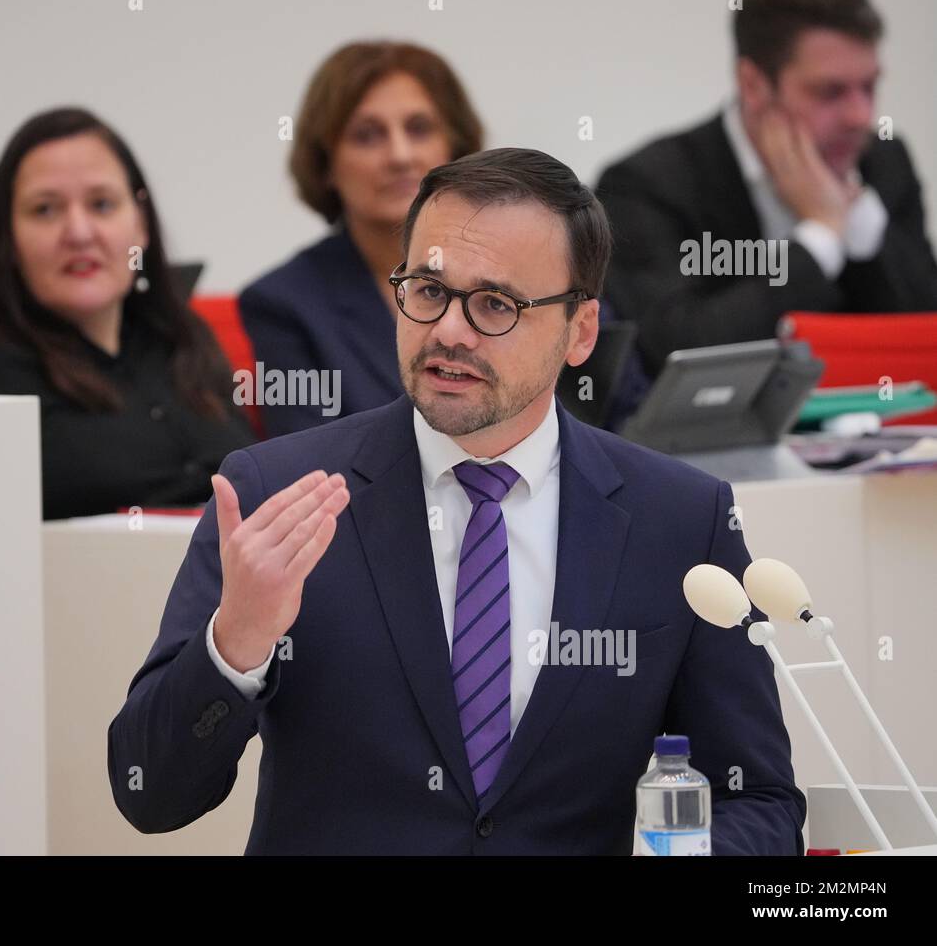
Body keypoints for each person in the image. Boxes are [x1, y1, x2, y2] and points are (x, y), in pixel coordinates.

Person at [108, 147, 805, 854]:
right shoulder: (275, 494)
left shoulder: (681, 520)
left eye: (495, 304)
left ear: (581, 332)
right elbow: (148, 794)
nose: (448, 330)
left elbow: (759, 797)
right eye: (429, 290)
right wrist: (237, 643)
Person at [0, 108, 255, 520]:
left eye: (102, 204)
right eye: (45, 210)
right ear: (6, 237)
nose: (79, 233)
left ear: (141, 225)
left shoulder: (183, 338)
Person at [597, 0, 937, 377]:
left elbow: (923, 341)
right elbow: (675, 348)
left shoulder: (882, 162)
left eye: (869, 87)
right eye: (829, 92)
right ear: (754, 85)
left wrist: (861, 227)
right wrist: (822, 238)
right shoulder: (649, 184)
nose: (860, 116)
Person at [237, 41, 483, 437]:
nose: (400, 155)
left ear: (455, 147)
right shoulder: (284, 305)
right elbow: (306, 463)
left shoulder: (523, 273)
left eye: (419, 129)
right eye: (367, 136)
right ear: (326, 165)